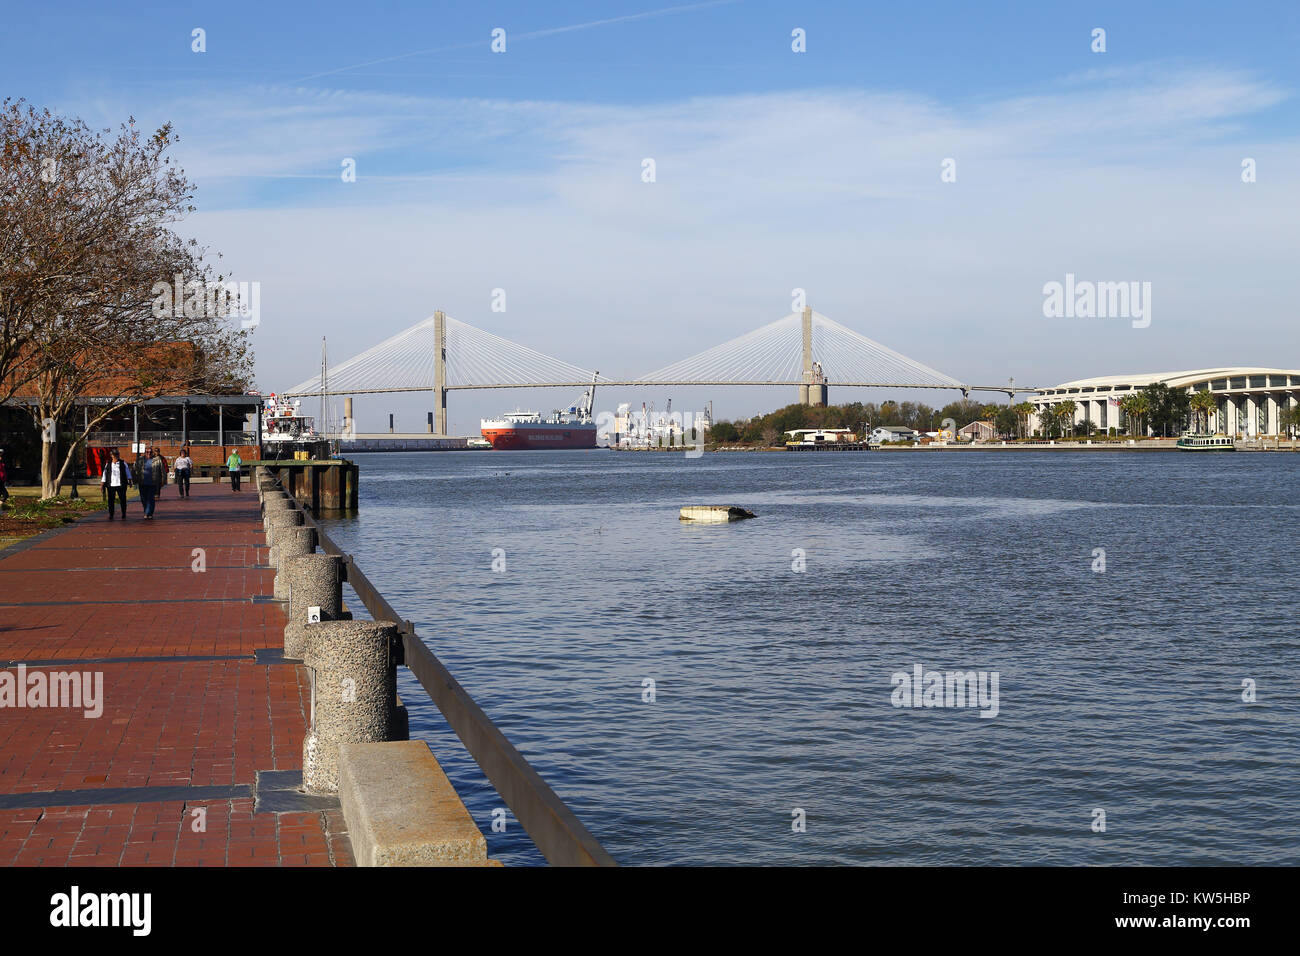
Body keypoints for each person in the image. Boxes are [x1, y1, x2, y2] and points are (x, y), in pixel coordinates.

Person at [100, 448, 133, 519]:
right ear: (111, 455)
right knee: (111, 501)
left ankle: (123, 513)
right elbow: (104, 475)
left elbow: (128, 473)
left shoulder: (123, 463)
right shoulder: (108, 464)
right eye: (114, 454)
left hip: (121, 485)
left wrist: (130, 481)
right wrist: (102, 485)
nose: (116, 456)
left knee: (123, 500)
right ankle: (111, 514)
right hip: (111, 485)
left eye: (117, 454)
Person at [136, 446, 165, 519]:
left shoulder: (157, 460)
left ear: (153, 453)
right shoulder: (140, 460)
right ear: (145, 452)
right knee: (143, 499)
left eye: (150, 452)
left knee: (150, 498)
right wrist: (134, 480)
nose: (148, 453)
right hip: (142, 482)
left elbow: (162, 471)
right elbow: (135, 470)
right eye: (147, 452)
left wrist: (163, 481)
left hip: (153, 482)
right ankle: (148, 511)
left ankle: (147, 513)